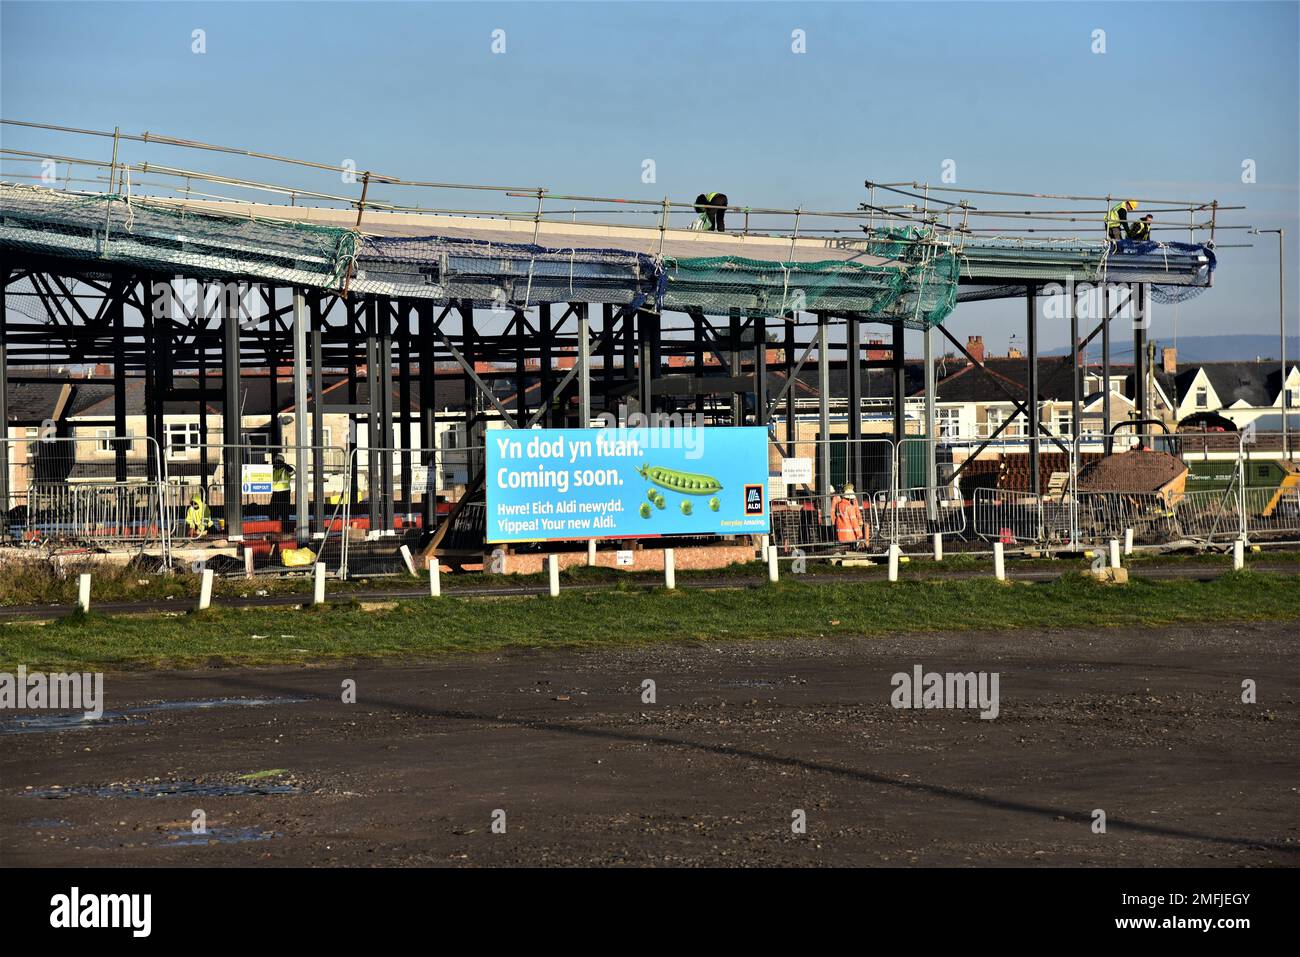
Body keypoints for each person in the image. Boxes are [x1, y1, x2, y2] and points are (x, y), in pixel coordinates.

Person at [831, 483, 868, 549]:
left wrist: (834, 525)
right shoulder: (849, 507)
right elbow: (854, 523)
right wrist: (860, 535)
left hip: (840, 534)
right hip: (850, 536)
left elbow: (834, 514)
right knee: (852, 551)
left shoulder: (839, 505)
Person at [270, 453, 295, 528]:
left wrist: (285, 465)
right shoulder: (273, 469)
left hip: (284, 493)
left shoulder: (285, 469)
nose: (276, 464)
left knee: (284, 512)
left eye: (277, 462)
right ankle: (274, 527)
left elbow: (292, 471)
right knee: (273, 511)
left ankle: (285, 528)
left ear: (281, 462)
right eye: (275, 462)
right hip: (275, 493)